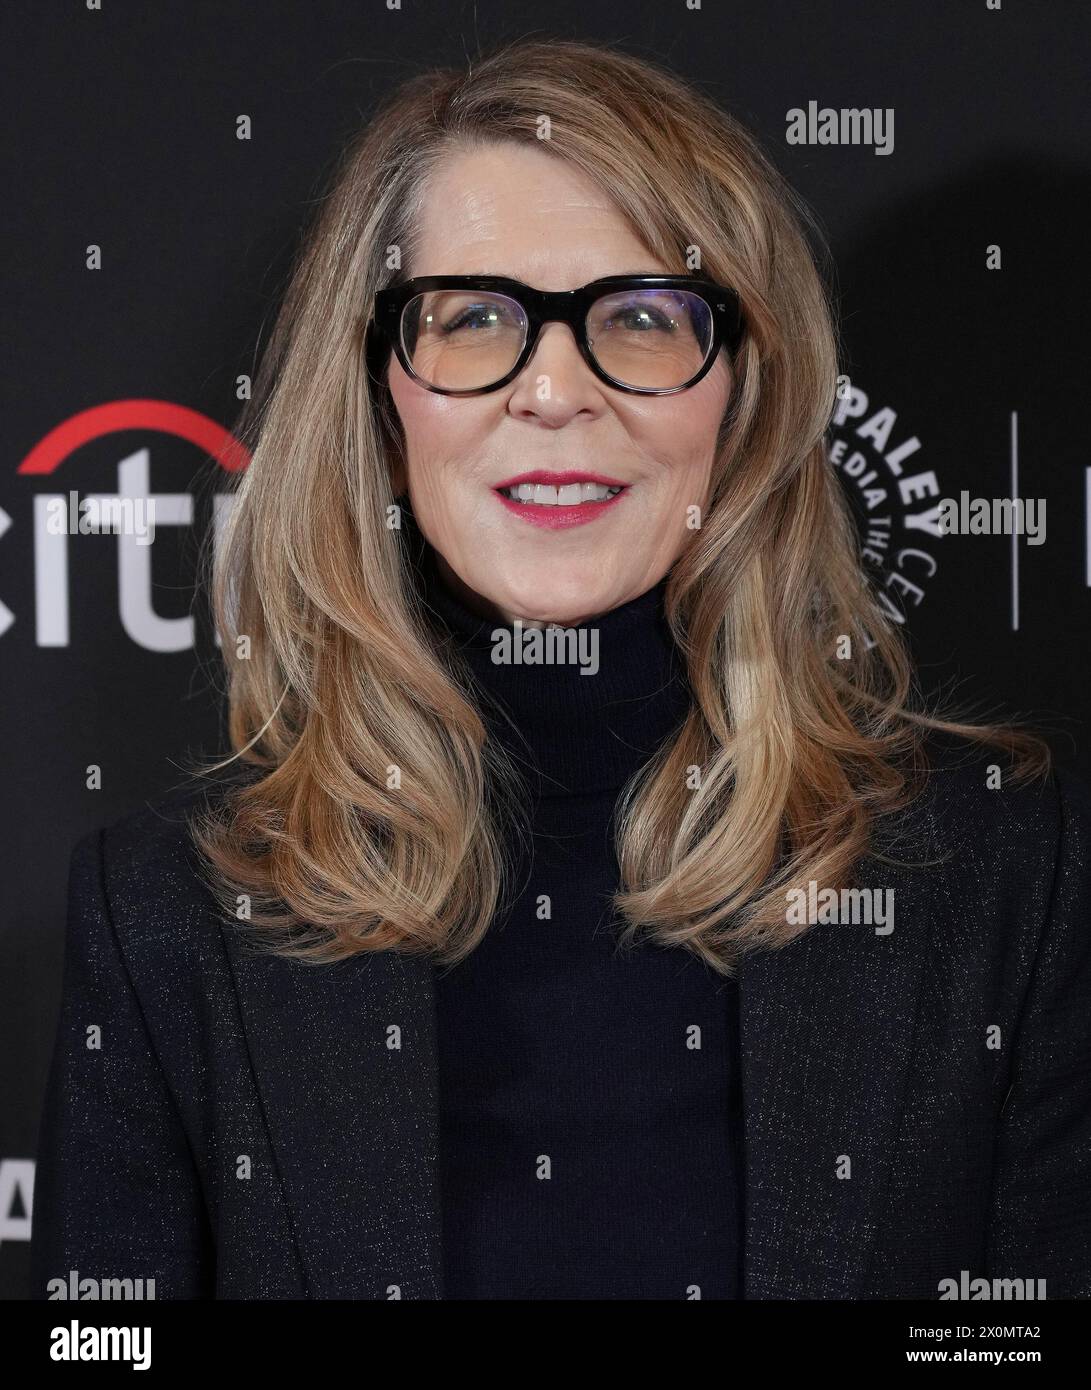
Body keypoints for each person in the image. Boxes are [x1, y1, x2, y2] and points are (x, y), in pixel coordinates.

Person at [30, 37, 1091, 1301]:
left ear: (742, 391)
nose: (552, 389)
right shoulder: (171, 912)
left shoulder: (998, 875)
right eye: (473, 318)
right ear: (378, 390)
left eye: (640, 317)